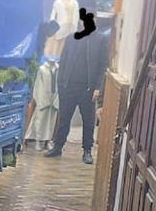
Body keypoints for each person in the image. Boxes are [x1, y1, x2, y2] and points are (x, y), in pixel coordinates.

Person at [45, 20, 110, 164]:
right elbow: (64, 59)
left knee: (88, 121)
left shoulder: (100, 39)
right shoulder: (72, 37)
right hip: (68, 87)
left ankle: (87, 150)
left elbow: (102, 65)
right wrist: (61, 84)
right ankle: (58, 146)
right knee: (64, 119)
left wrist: (98, 87)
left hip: (88, 89)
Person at [24, 59, 59, 150]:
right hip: (43, 98)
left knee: (51, 121)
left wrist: (57, 98)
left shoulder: (58, 69)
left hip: (54, 98)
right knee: (40, 120)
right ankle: (38, 141)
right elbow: (38, 85)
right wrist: (41, 99)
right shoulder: (42, 69)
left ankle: (48, 141)